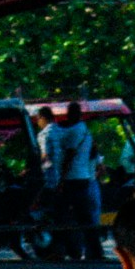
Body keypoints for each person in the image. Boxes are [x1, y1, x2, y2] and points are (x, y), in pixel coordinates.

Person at [36, 100, 101, 259]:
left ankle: (58, 251)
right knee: (84, 217)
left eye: (69, 114)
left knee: (61, 215)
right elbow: (93, 152)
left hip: (71, 179)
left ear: (73, 114)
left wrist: (61, 180)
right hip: (84, 177)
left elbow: (69, 157)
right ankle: (95, 251)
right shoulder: (86, 130)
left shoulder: (73, 132)